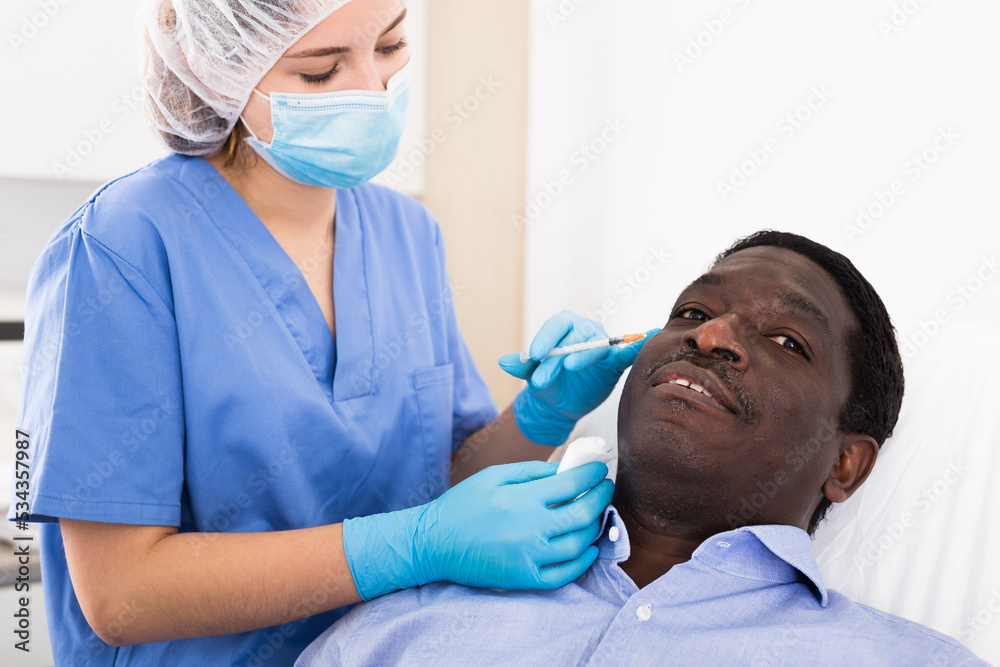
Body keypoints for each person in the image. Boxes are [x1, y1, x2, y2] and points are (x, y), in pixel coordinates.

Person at [7, 1, 649, 664]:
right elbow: (122, 595)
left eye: (390, 46)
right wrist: (414, 544)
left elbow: (443, 489)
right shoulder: (121, 249)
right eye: (321, 71)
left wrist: (543, 413)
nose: (373, 90)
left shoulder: (407, 233)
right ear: (216, 68)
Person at [297, 231, 989, 666]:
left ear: (846, 464)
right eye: (692, 312)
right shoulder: (402, 623)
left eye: (788, 341)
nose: (710, 335)